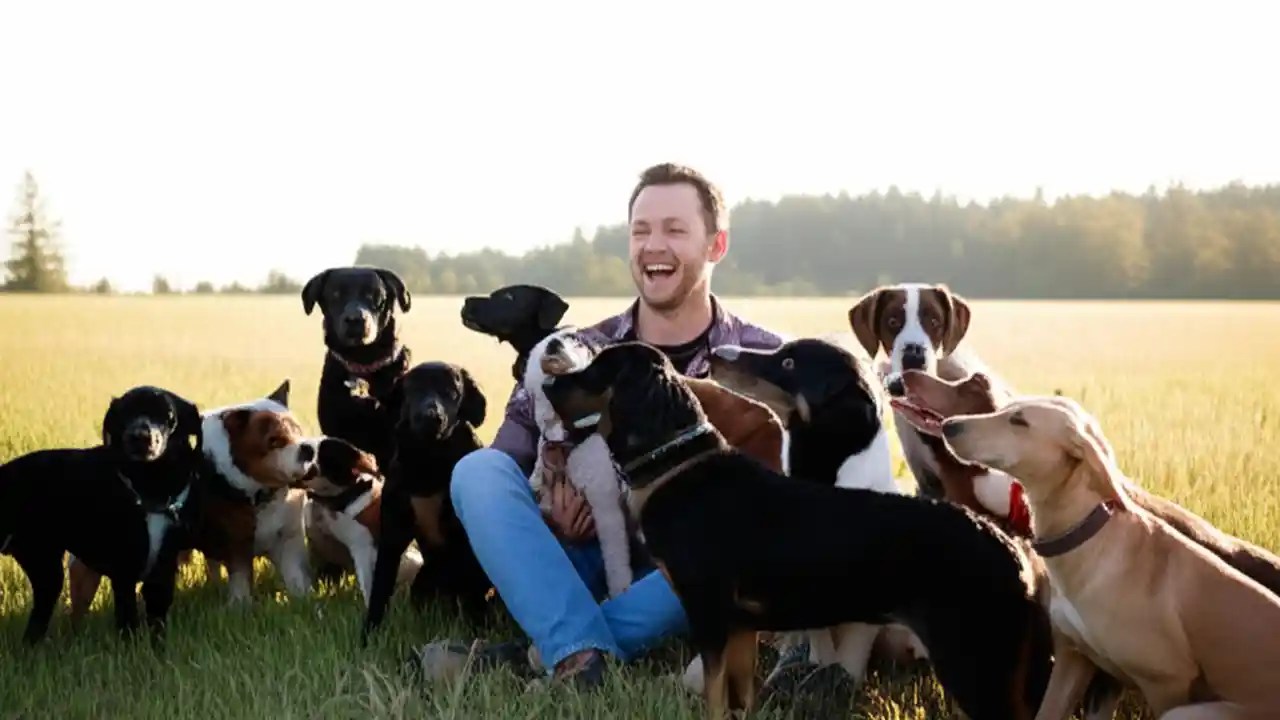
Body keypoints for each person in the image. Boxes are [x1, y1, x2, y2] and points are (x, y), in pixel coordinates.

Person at [408, 162, 785, 689]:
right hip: (575, 564)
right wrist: (547, 509)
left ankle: (554, 655)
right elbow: (507, 462)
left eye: (675, 230)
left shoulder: (763, 360)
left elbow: (786, 502)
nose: (654, 245)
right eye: (641, 230)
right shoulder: (574, 351)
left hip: (684, 576)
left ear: (716, 245)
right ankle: (575, 650)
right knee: (479, 471)